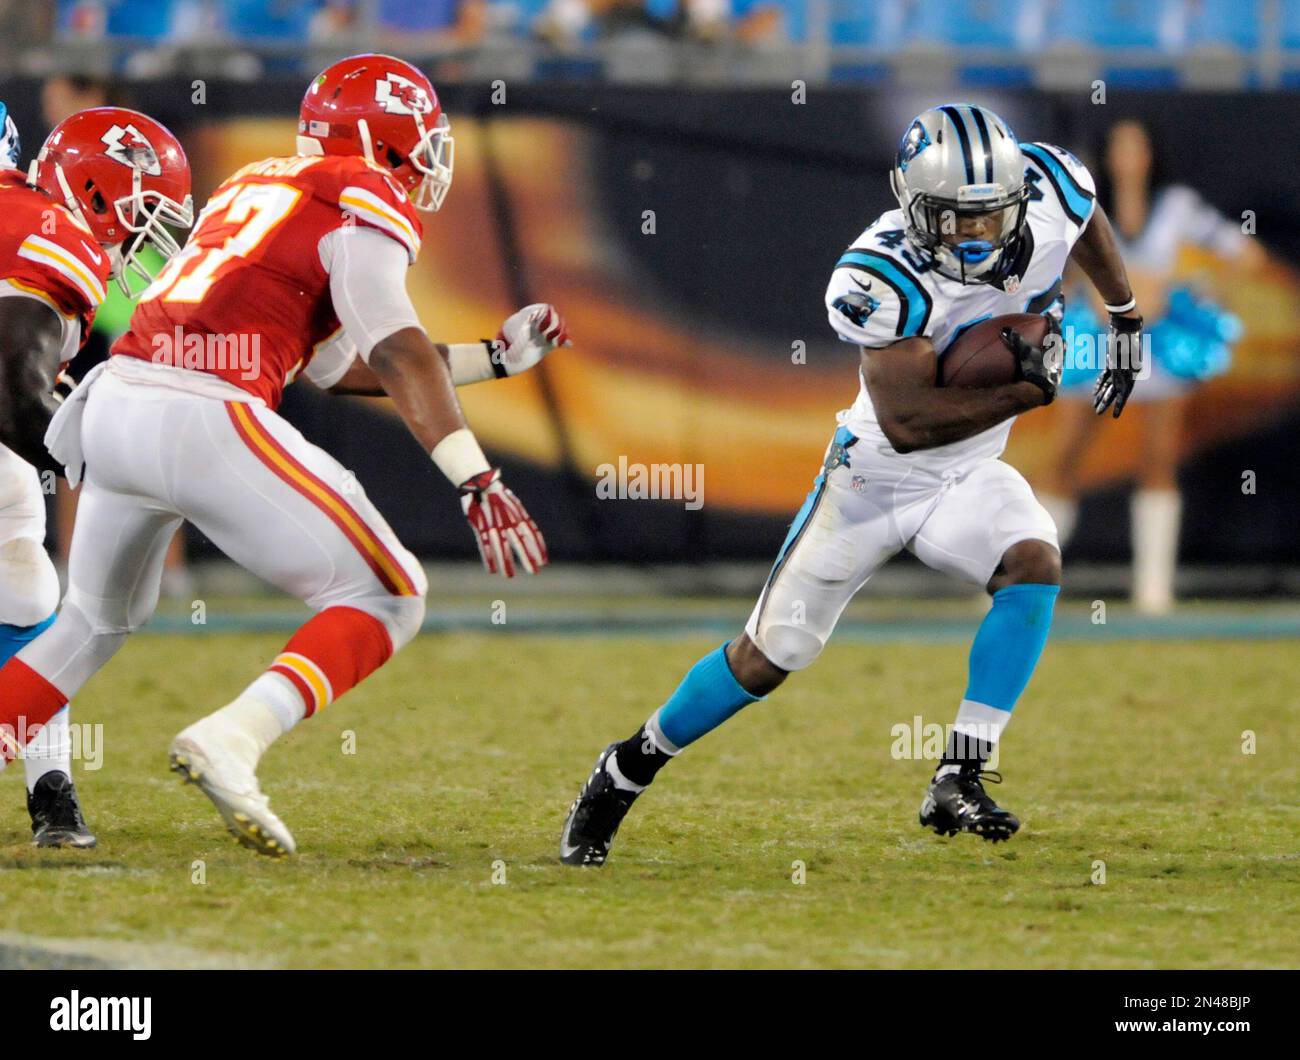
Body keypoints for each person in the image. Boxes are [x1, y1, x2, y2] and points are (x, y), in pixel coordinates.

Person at [0, 53, 568, 858]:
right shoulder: (360, 192)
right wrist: (475, 477)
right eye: (424, 136)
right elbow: (400, 352)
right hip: (199, 412)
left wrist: (496, 359)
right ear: (384, 135)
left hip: (118, 400)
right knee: (392, 593)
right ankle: (232, 738)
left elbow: (340, 365)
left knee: (91, 621)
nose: (432, 155)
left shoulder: (260, 187)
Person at [560, 104, 1143, 865]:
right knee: (770, 656)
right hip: (873, 479)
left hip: (965, 473)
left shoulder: (1052, 186)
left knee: (1034, 561)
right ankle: (626, 768)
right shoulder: (880, 272)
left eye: (988, 216)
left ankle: (959, 770)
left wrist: (1126, 315)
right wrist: (1026, 392)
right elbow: (907, 421)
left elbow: (1086, 213)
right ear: (912, 206)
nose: (973, 235)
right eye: (952, 219)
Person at [0, 103, 194, 847]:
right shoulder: (52, 231)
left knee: (27, 592)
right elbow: (12, 384)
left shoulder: (29, 217)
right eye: (148, 210)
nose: (154, 234)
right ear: (95, 190)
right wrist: (105, 464)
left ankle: (52, 789)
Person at [1037, 118, 1262, 614]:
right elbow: (1047, 263)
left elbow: (1245, 254)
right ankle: (1026, 582)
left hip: (1158, 345)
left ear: (1152, 155)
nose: (1128, 158)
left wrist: (1187, 287)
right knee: (1065, 458)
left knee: (1158, 459)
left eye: (1137, 148)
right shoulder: (1083, 202)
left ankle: (1153, 590)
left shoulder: (1177, 204)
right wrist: (1084, 291)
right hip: (1095, 343)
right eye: (1119, 148)